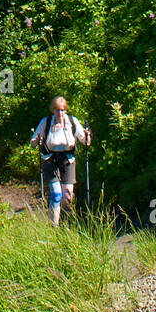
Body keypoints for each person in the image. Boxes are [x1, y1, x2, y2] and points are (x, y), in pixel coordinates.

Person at [30, 95, 91, 225]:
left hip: (68, 160)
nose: (60, 113)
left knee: (67, 196)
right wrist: (37, 140)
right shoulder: (46, 122)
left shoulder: (72, 121)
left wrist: (87, 135)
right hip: (50, 160)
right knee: (56, 194)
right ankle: (54, 225)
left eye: (62, 110)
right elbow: (33, 142)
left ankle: (66, 222)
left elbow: (85, 142)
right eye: (57, 110)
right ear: (53, 110)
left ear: (66, 110)